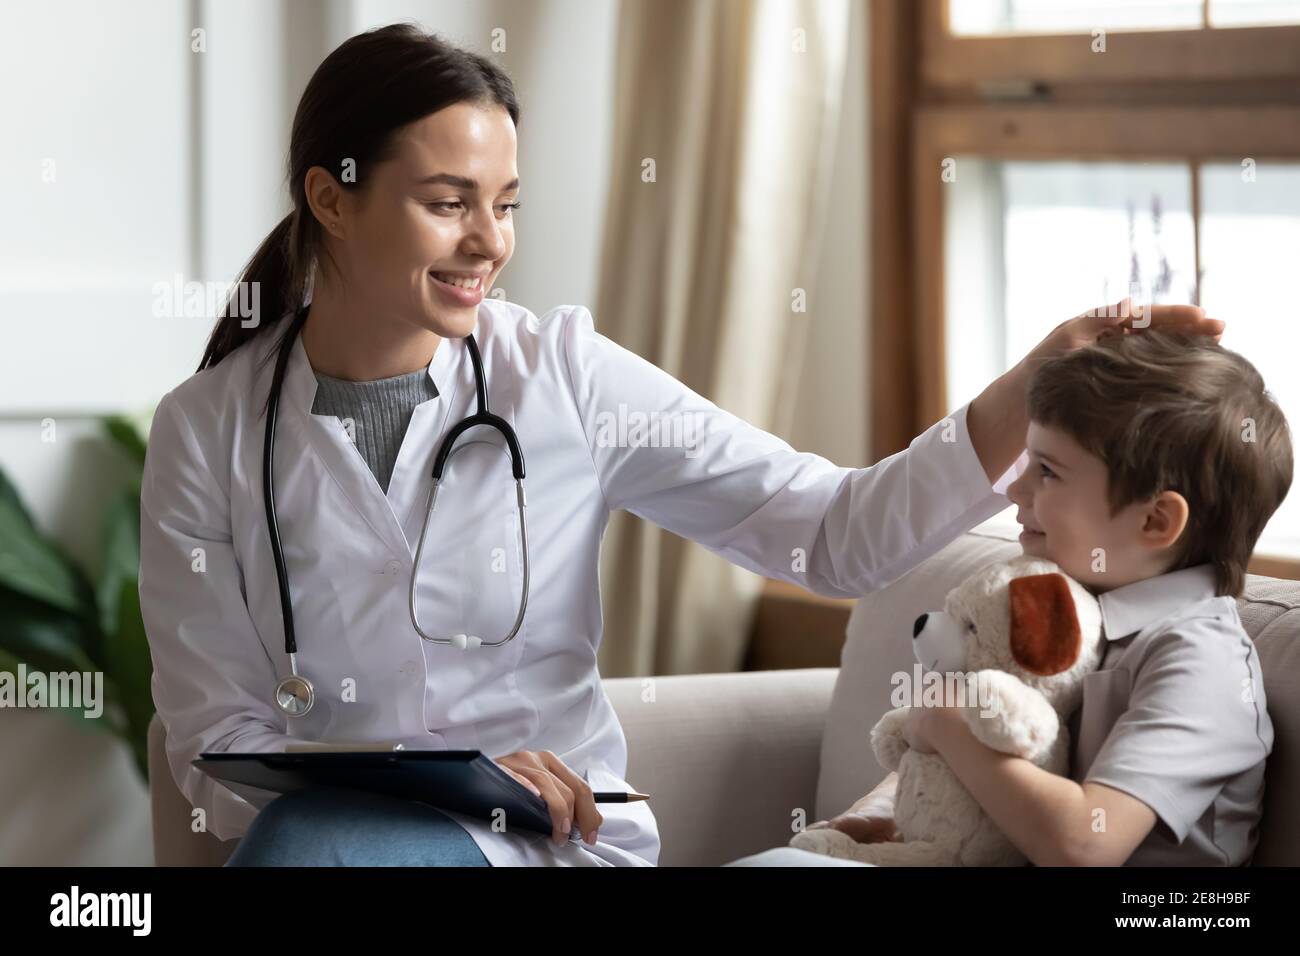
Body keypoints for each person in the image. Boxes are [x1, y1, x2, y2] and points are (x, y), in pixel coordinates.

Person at [138, 22, 1222, 867]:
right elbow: (212, 740)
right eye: (446, 202)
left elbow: (831, 533)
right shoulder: (206, 432)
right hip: (334, 842)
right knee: (310, 844)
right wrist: (432, 774)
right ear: (332, 198)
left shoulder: (558, 374)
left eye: (505, 204)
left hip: (552, 843)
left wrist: (1031, 378)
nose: (489, 242)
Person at [744, 332, 1289, 867]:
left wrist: (945, 725)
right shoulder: (1055, 603)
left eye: (1048, 471)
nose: (1014, 488)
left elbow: (1085, 845)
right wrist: (885, 810)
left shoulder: (1200, 661)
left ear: (1155, 520)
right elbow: (991, 754)